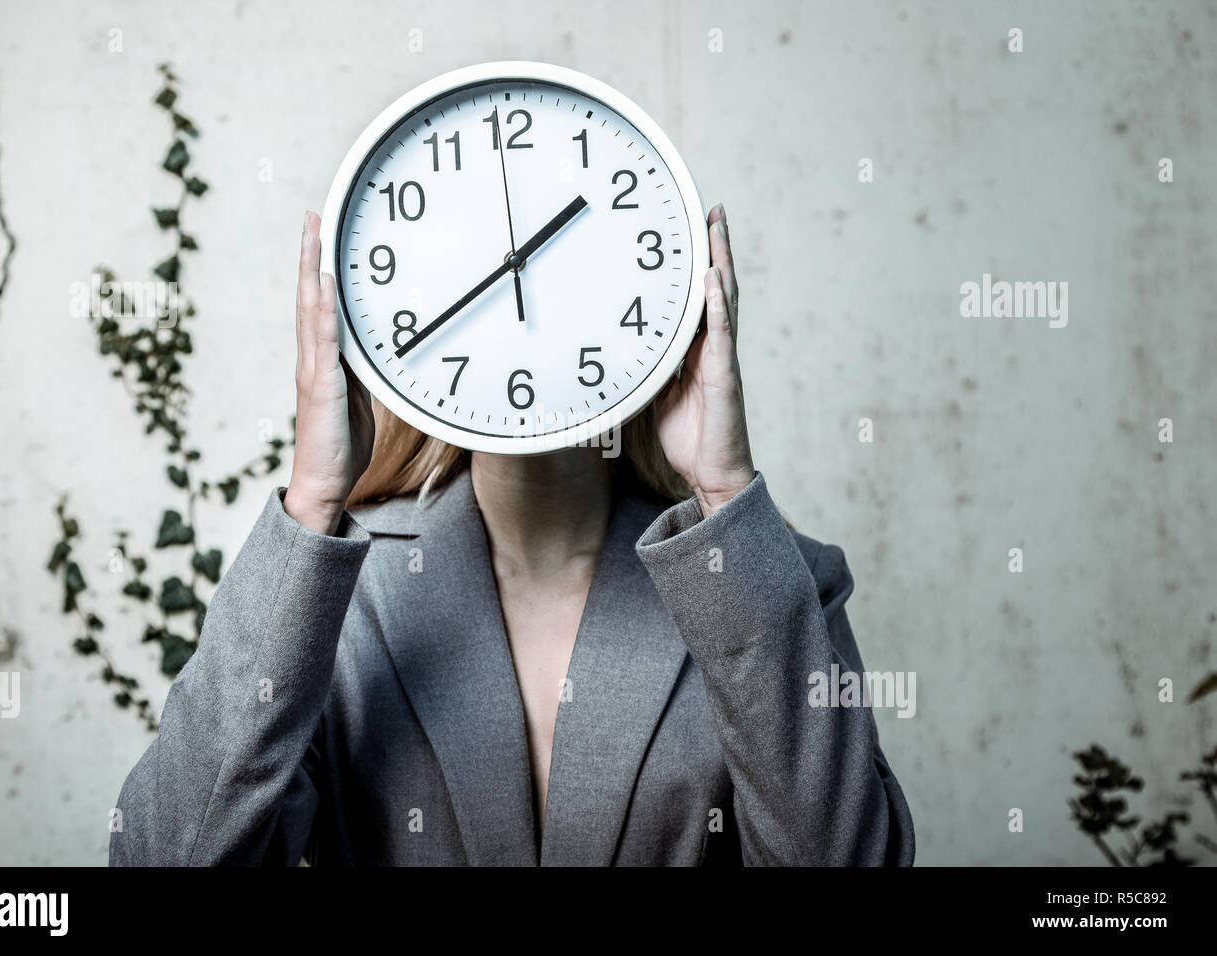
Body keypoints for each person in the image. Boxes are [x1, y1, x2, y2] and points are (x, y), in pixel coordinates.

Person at [109, 204, 914, 866]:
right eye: (478, 286)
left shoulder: (764, 580)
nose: (520, 314)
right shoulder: (334, 597)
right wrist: (315, 501)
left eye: (570, 282)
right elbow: (165, 858)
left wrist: (725, 491)